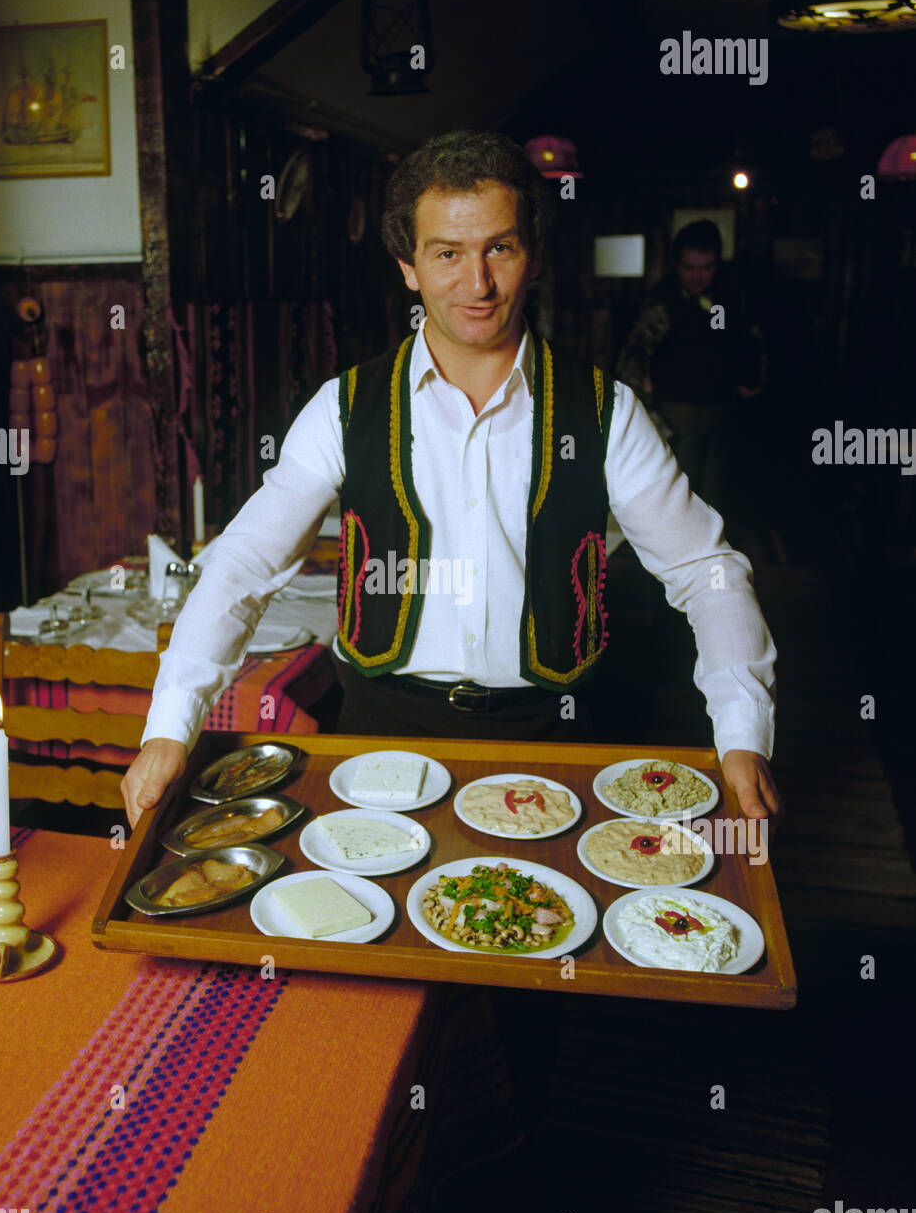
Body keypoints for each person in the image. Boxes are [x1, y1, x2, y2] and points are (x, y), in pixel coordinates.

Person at [122, 132, 782, 830]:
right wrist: (170, 728)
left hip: (555, 740)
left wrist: (742, 734)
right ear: (408, 266)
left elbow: (706, 569)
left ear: (533, 256)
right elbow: (243, 565)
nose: (478, 284)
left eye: (500, 247)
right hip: (380, 738)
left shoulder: (607, 412)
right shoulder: (344, 408)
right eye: (447, 254)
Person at [615, 220, 766, 526]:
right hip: (677, 415)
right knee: (679, 501)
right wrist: (651, 416)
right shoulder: (662, 302)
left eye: (706, 267)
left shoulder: (731, 295)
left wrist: (753, 379)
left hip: (723, 410)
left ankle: (713, 567)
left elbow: (751, 341)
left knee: (717, 499)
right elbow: (632, 358)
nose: (698, 276)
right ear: (677, 264)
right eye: (690, 268)